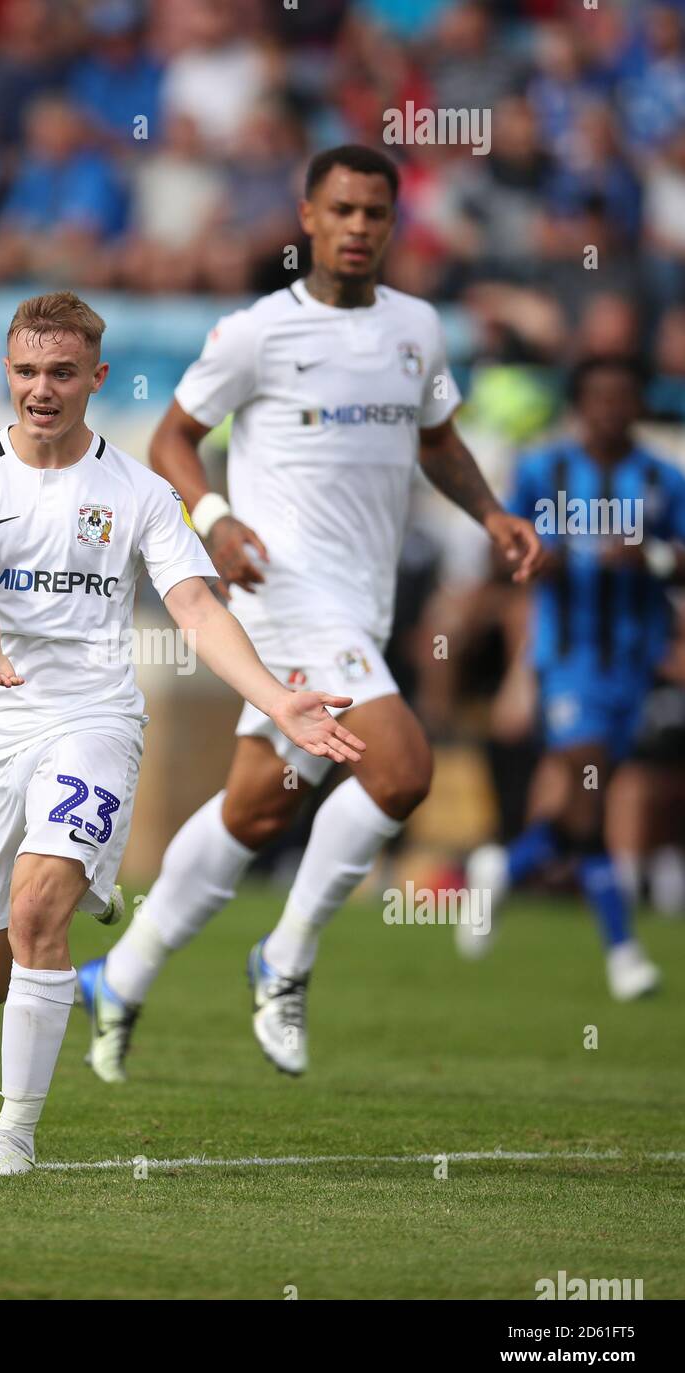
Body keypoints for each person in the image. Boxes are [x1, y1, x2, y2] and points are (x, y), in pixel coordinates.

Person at [81, 145, 541, 1082]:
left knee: (257, 809)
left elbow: (438, 439)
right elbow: (171, 436)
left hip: (360, 608)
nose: (358, 228)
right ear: (307, 218)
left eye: (375, 213)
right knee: (402, 768)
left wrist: (490, 512)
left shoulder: (418, 328)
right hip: (282, 592)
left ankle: (121, 972)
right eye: (341, 211)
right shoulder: (256, 332)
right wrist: (210, 517)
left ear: (392, 223)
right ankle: (283, 959)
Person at [0, 290, 365, 1174]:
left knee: (36, 910)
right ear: (6, 372)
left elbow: (194, 606)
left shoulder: (140, 492)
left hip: (93, 720)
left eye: (60, 373)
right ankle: (91, 873)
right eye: (24, 372)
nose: (40, 390)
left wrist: (276, 699)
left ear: (96, 378)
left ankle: (13, 1135)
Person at [458, 355, 685, 1000]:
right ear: (578, 405)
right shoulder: (543, 470)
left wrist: (659, 555)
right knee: (590, 787)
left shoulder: (662, 480)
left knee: (593, 796)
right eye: (598, 398)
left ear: (639, 404)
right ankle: (624, 953)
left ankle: (506, 863)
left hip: (635, 662)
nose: (610, 409)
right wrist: (533, 562)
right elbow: (498, 557)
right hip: (568, 658)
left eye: (623, 397)